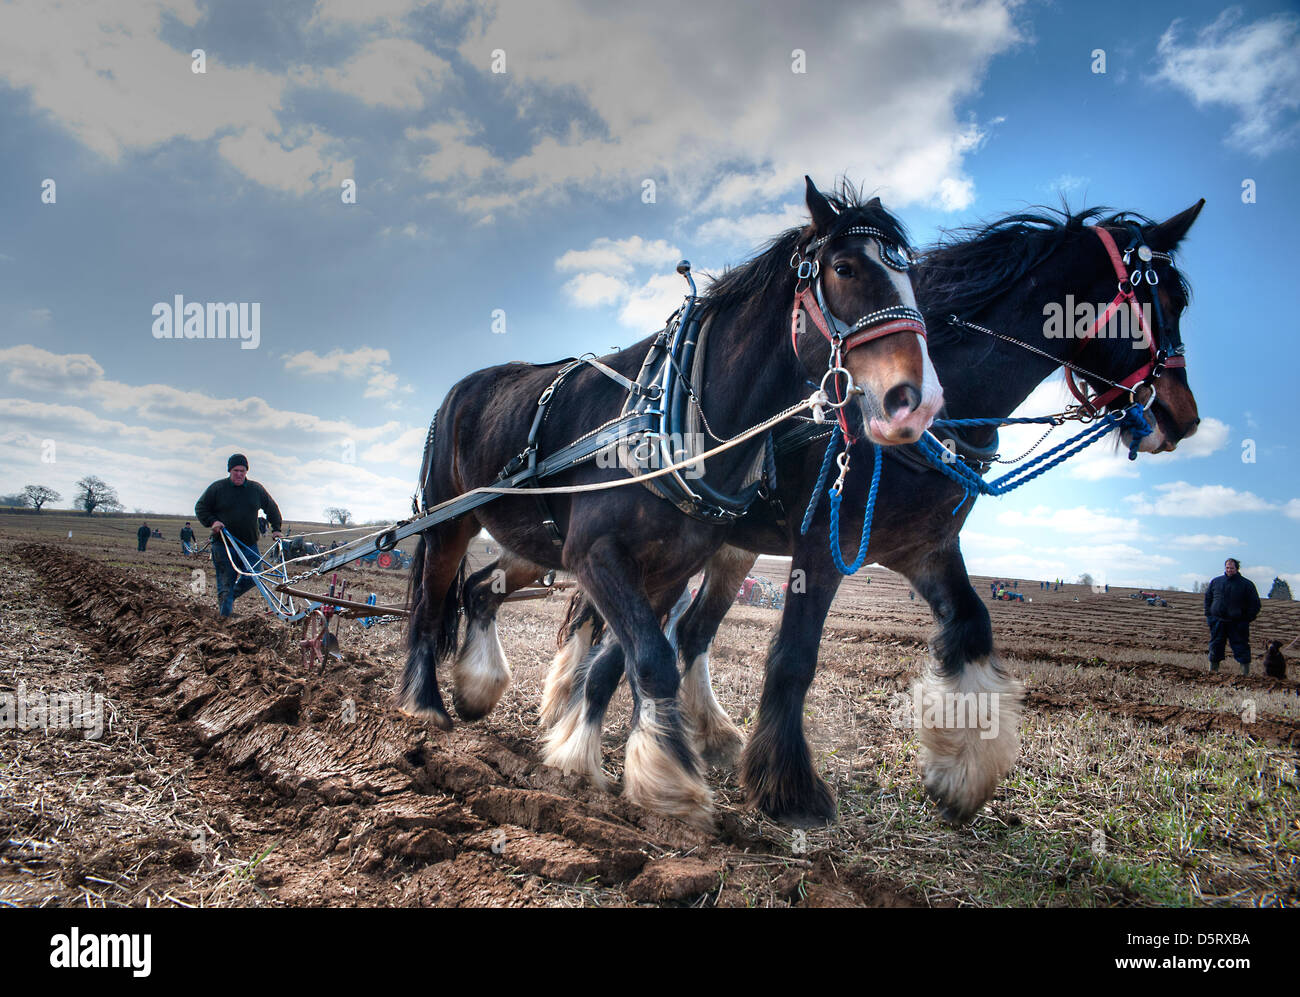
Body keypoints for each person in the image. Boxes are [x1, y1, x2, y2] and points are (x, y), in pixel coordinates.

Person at [195, 453, 283, 618]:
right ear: (230, 470)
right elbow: (201, 507)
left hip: (248, 544)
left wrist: (276, 528)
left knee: (255, 576)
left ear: (246, 471)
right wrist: (212, 521)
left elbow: (271, 507)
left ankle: (228, 598)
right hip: (223, 545)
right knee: (225, 582)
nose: (239, 474)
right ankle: (224, 621)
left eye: (242, 470)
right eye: (236, 470)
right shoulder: (218, 488)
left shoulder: (255, 489)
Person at [1204, 558, 1261, 675]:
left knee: (1241, 647)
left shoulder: (1246, 584)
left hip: (1238, 623)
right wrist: (1210, 617)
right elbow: (1207, 600)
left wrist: (1245, 619)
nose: (1229, 570)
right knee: (1215, 646)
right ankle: (1212, 672)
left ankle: (1245, 674)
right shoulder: (1216, 582)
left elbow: (1255, 605)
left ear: (1237, 569)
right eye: (1227, 568)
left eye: (1231, 568)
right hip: (1217, 622)